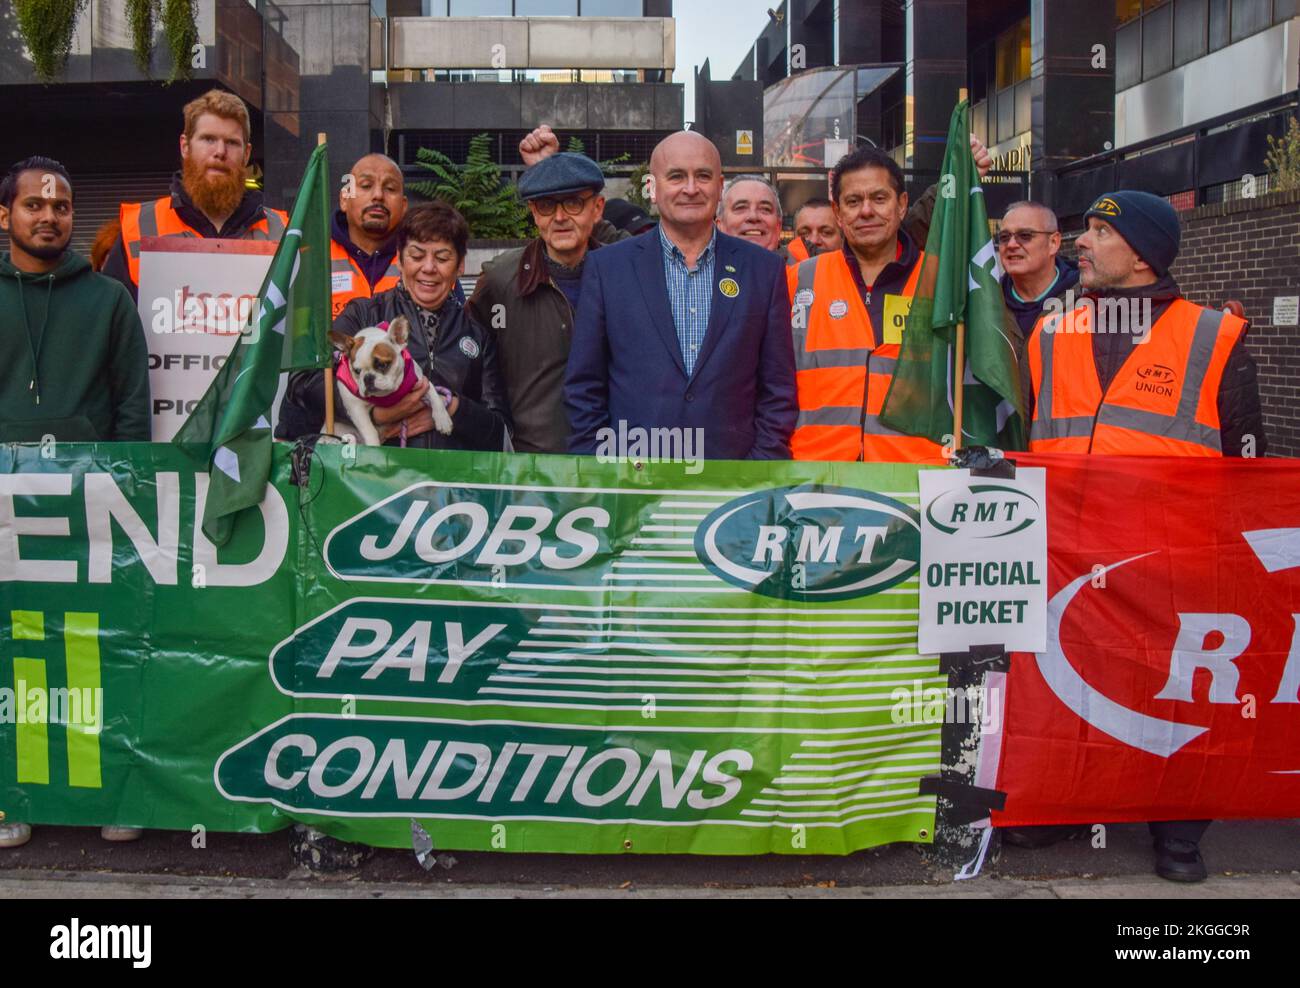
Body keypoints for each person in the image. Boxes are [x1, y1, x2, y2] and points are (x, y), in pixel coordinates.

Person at [1024, 189, 1267, 882]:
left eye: (1099, 231)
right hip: (1073, 548)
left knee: (1175, 691)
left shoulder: (1215, 335)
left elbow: (1249, 457)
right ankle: (1075, 804)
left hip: (1175, 556)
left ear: (1140, 253)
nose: (1083, 241)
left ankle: (1180, 827)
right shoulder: (1051, 332)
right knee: (1073, 681)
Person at [0, 155, 149, 849]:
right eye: (35, 205)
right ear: (7, 216)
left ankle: (107, 791)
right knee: (11, 648)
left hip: (91, 497)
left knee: (91, 647)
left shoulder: (109, 298)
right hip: (4, 502)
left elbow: (131, 406)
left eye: (61, 207)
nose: (50, 216)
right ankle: (11, 797)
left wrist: (126, 489)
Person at [565, 131, 797, 460]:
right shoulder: (607, 268)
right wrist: (602, 473)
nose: (691, 188)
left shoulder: (764, 270)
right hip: (633, 479)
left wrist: (757, 472)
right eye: (676, 176)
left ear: (719, 187)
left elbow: (778, 390)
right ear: (653, 188)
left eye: (702, 176)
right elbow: (584, 387)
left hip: (733, 481)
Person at [276, 201, 510, 451]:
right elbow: (303, 382)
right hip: (371, 481)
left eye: (442, 258)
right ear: (399, 259)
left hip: (449, 482)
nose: (428, 268)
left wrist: (452, 407)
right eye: (416, 256)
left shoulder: (477, 334)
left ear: (460, 265)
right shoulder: (363, 314)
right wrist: (374, 414)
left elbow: (499, 430)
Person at [785, 147, 947, 463]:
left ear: (902, 205)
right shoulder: (800, 280)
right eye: (853, 201)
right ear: (838, 211)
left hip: (914, 482)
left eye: (879, 198)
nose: (866, 211)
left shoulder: (942, 281)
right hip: (816, 480)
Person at [468, 152, 607, 454]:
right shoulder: (500, 279)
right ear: (533, 212)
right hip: (529, 467)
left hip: (610, 465)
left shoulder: (622, 273)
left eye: (573, 203)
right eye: (546, 205)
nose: (559, 218)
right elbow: (471, 362)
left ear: (597, 209)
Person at [102, 89, 289, 301]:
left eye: (232, 142)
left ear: (246, 154)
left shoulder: (284, 232)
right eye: (208, 139)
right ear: (185, 146)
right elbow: (111, 324)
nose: (220, 151)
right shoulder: (138, 228)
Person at [331, 153, 407, 318]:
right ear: (344, 199)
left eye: (390, 188)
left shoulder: (427, 260)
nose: (378, 195)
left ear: (404, 205)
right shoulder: (313, 256)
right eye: (366, 185)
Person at [997, 200, 1079, 337]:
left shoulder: (1090, 301)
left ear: (1053, 242)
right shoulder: (986, 303)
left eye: (1025, 236)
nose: (1011, 244)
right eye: (1004, 237)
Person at [716, 174, 783, 252]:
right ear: (720, 226)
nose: (753, 216)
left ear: (778, 227)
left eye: (765, 209)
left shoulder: (797, 263)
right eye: (740, 207)